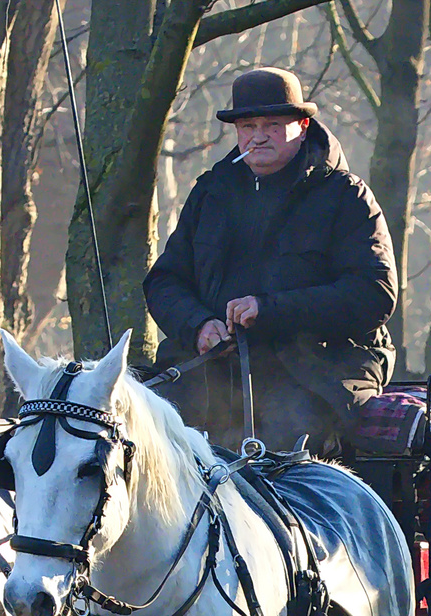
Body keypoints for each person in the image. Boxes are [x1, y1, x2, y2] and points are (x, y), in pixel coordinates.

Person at [144, 67, 398, 455]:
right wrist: (197, 326)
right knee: (136, 431)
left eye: (273, 124)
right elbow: (165, 281)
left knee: (280, 446)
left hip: (319, 368)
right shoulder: (211, 192)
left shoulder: (346, 197)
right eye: (247, 125)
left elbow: (374, 293)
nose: (258, 135)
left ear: (303, 125)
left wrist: (269, 311)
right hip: (210, 367)